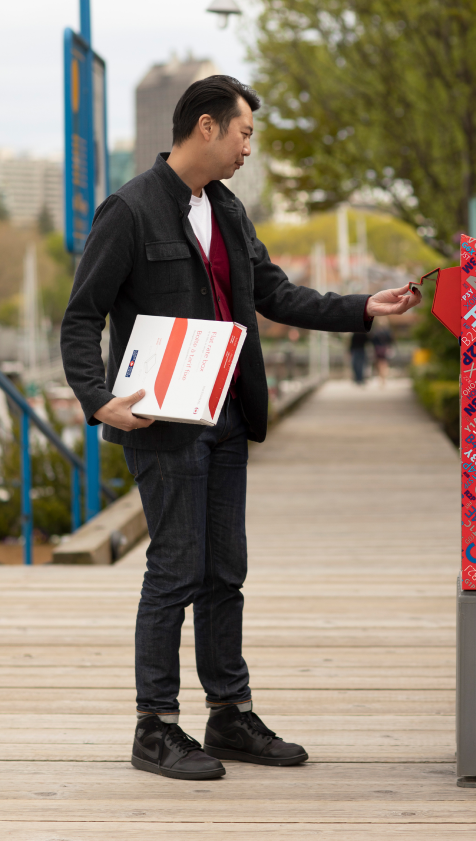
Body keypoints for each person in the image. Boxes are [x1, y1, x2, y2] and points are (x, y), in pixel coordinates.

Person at [60, 75, 421, 781]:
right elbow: (81, 316)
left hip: (227, 416)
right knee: (176, 568)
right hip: (163, 420)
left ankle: (228, 715)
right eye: (244, 132)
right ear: (205, 127)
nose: (248, 147)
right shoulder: (129, 211)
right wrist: (99, 399)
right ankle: (155, 727)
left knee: (226, 570)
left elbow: (275, 292)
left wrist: (363, 307)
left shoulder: (226, 209)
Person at [370, 319, 394, 386]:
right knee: (384, 363)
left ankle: (382, 377)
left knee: (380, 363)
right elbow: (391, 340)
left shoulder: (376, 332)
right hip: (384, 349)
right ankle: (383, 377)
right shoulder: (387, 332)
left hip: (378, 350)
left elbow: (372, 341)